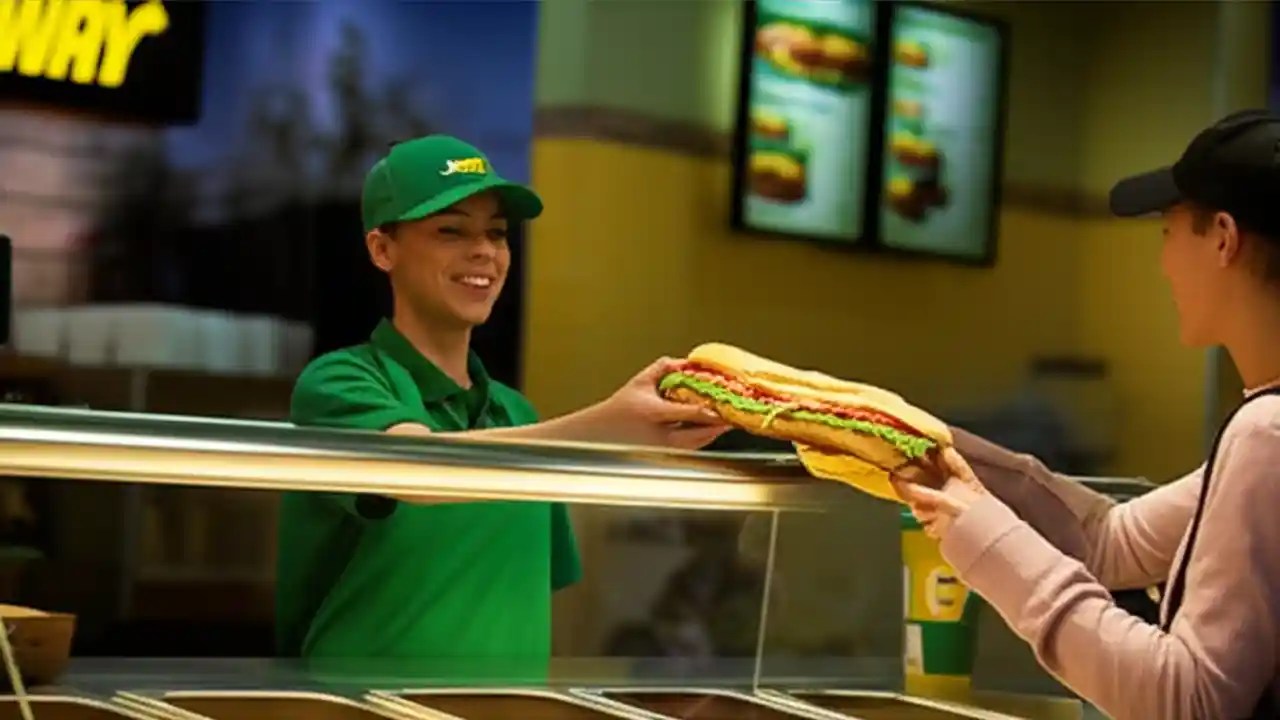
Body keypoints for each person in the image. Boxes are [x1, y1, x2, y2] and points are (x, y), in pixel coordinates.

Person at [274, 135, 728, 680]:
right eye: (451, 230)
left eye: (496, 233)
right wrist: (610, 426)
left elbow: (535, 601)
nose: (484, 251)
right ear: (382, 249)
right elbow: (420, 473)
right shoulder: (341, 381)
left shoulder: (518, 415)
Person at [893, 109, 1280, 720]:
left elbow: (1189, 700)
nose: (1163, 264)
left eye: (1168, 234)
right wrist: (899, 432)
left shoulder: (1268, 434)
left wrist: (982, 539)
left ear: (1224, 238)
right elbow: (1108, 541)